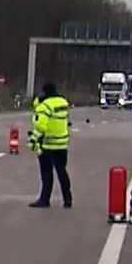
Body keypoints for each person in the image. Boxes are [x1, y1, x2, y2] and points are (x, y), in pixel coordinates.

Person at [29, 80, 73, 208]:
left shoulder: (44, 106)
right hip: (62, 144)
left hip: (48, 144)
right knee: (62, 172)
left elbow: (41, 127)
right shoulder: (63, 103)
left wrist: (33, 139)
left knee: (47, 174)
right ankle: (67, 199)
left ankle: (45, 199)